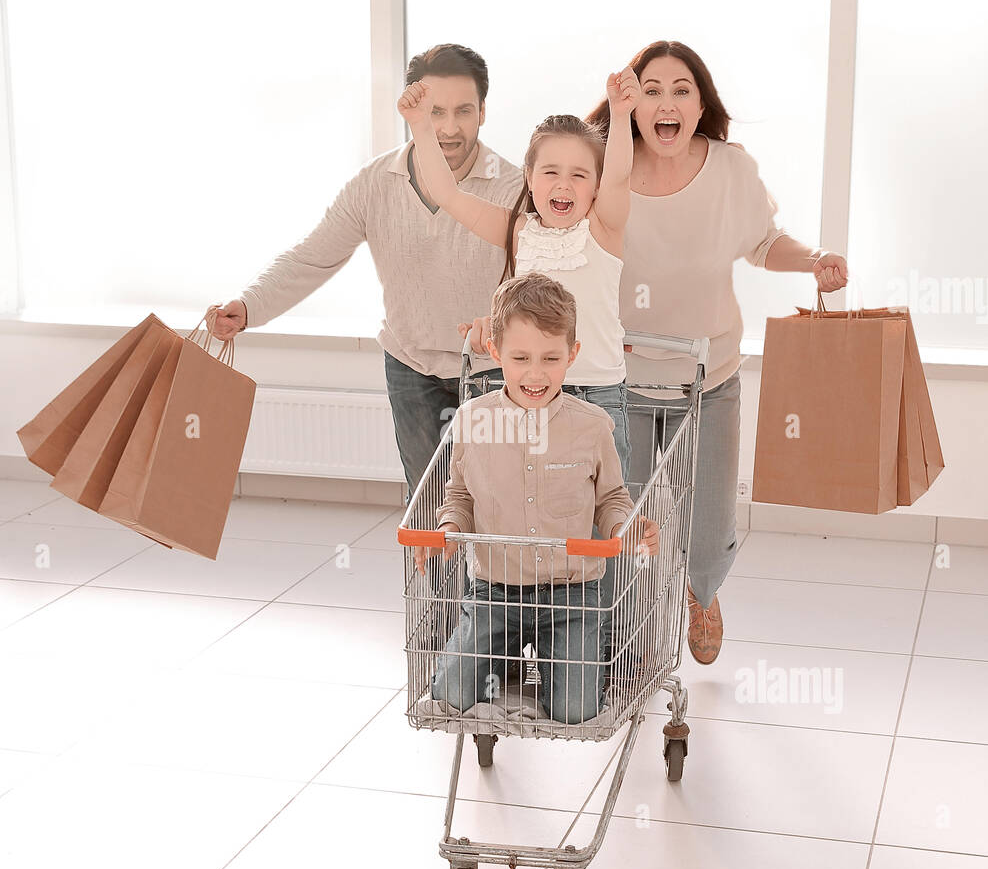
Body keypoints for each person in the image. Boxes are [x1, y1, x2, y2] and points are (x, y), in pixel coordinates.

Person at [585, 39, 849, 665]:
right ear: (631, 101)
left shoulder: (730, 170)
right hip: (621, 382)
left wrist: (813, 261)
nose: (667, 103)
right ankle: (633, 627)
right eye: (652, 90)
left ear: (701, 105)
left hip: (709, 377)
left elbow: (763, 241)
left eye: (682, 90)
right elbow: (558, 235)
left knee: (705, 534)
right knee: (632, 527)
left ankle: (702, 591)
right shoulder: (604, 165)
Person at [206, 44, 523, 496]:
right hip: (411, 367)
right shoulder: (376, 183)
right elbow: (312, 256)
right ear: (413, 109)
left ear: (483, 112)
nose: (449, 129)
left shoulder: (513, 186)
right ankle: (432, 571)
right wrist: (249, 305)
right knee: (428, 508)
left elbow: (540, 283)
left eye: (463, 111)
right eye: (435, 112)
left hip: (495, 373)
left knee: (494, 505)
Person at [416, 273, 658, 725]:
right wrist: (448, 531)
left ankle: (562, 660)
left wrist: (625, 527)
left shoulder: (592, 426)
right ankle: (503, 658)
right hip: (495, 590)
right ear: (495, 352)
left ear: (573, 355)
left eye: (551, 358)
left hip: (571, 594)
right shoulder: (472, 421)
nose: (535, 373)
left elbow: (611, 499)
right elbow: (458, 495)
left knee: (574, 711)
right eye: (521, 357)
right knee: (450, 694)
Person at [398, 67, 641, 481]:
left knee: (603, 514)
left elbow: (619, 174)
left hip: (598, 394)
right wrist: (421, 125)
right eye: (550, 172)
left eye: (579, 175)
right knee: (533, 506)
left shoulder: (602, 230)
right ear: (529, 178)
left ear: (596, 186)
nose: (563, 185)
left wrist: (620, 114)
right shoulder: (520, 231)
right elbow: (448, 194)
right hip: (530, 393)